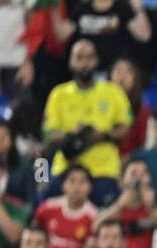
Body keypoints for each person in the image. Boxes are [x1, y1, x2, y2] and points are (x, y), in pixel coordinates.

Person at [41, 38, 132, 207]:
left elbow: (125, 128)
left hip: (103, 170)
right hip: (65, 170)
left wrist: (102, 135)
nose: (84, 63)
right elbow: (48, 133)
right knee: (43, 200)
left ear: (97, 60)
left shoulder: (113, 92)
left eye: (89, 57)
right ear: (70, 61)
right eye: (79, 57)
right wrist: (72, 134)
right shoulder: (58, 94)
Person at [32, 164, 97, 248]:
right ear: (63, 185)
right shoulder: (48, 208)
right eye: (72, 181)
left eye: (82, 182)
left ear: (90, 187)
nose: (77, 187)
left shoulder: (94, 217)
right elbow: (33, 239)